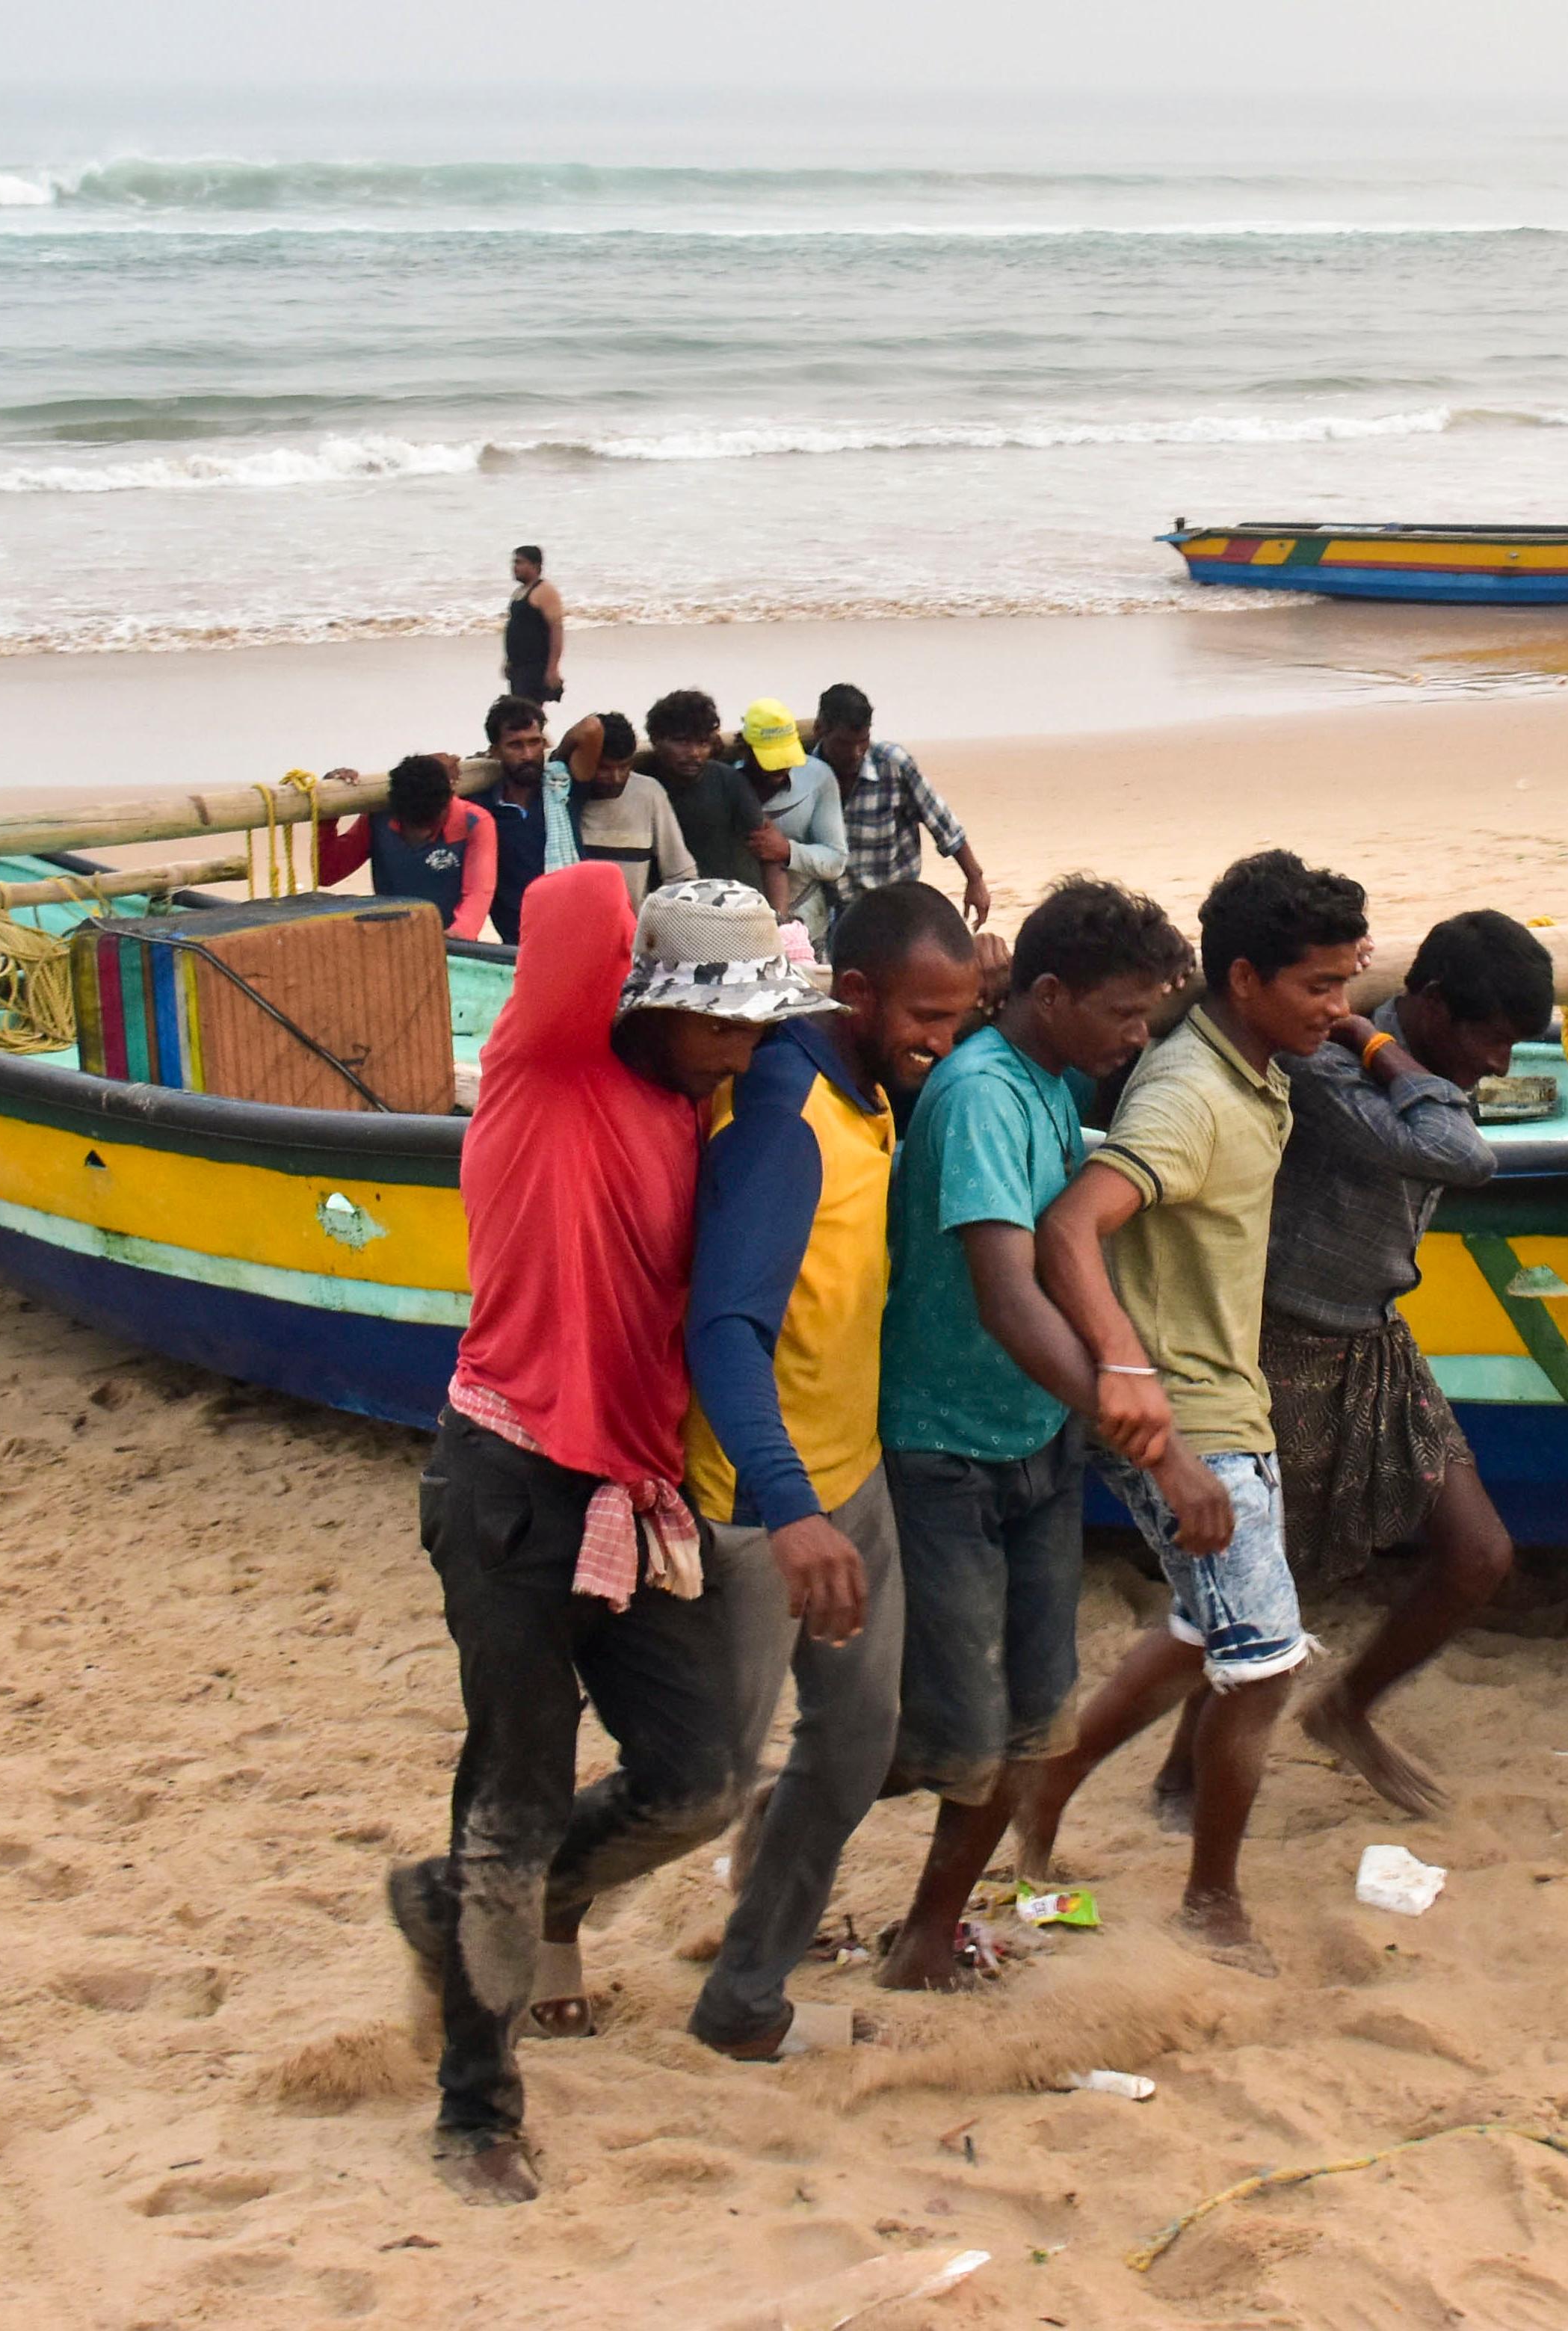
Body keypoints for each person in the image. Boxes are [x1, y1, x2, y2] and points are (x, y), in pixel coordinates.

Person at [386, 868, 810, 2205]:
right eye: (721, 1017)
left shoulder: (696, 1108)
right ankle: (477, 2109)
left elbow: (799, 1045)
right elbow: (569, 901)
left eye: (758, 1021)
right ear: (651, 999)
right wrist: (674, 898)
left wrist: (768, 947)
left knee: (695, 1774)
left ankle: (452, 1905)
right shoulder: (546, 1059)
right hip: (509, 1480)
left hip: (633, 1492)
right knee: (509, 1802)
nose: (746, 1043)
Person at [1008, 850, 1369, 1965]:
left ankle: (1044, 1787)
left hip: (1226, 1396)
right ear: (1247, 978)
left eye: (1349, 982)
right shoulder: (1190, 1094)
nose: (1340, 1008)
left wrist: (1360, 1032)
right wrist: (1127, 1375)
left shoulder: (1242, 1062)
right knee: (1262, 1663)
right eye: (1320, 987)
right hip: (1193, 1415)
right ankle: (1211, 1900)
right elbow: (1072, 1225)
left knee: (1189, 1633)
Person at [870, 878, 1197, 1995]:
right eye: (1123, 1013)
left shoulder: (1054, 1080)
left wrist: (1097, 1404)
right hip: (945, 1443)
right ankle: (785, 1819)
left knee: (1034, 1713)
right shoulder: (980, 1097)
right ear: (1051, 994)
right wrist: (1135, 1419)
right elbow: (1008, 1294)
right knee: (950, 1737)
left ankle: (927, 1932)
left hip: (1034, 1446)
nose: (1137, 1037)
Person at [679, 881, 986, 2063]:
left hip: (855, 1484)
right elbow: (725, 1332)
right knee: (698, 1786)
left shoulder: (872, 1089)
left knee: (856, 1745)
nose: (941, 1042)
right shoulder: (781, 1117)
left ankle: (745, 1998)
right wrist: (793, 1510)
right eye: (924, 1016)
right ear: (853, 993)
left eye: (958, 1017)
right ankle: (539, 1915)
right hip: (762, 1512)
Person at [1253, 911, 1552, 1812]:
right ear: (1425, 1003)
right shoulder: (1326, 1061)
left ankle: (1345, 1706)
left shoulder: (1392, 1058)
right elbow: (1462, 1152)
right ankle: (1182, 1776)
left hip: (1376, 1333)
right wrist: (1379, 1050)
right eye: (1486, 1036)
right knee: (1272, 1593)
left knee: (1479, 1554)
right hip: (1287, 1340)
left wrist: (1394, 1054)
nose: (1497, 1062)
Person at [809, 685, 993, 929]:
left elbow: (943, 823)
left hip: (892, 905)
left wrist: (975, 879)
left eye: (862, 742)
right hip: (832, 910)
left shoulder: (892, 764)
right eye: (844, 743)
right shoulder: (803, 774)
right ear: (820, 730)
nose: (856, 753)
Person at [316, 753, 499, 940]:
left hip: (451, 939)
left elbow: (479, 890)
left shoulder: (474, 822)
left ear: (447, 803)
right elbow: (327, 873)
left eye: (428, 824)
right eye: (413, 825)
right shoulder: (379, 819)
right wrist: (328, 813)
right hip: (389, 938)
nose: (420, 835)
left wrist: (461, 931)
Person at [638, 690, 775, 896]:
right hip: (668, 910)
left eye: (702, 743)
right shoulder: (642, 787)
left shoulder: (729, 782)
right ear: (656, 739)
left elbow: (769, 854)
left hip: (732, 906)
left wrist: (779, 918)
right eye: (683, 742)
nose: (694, 753)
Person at [735, 697, 851, 942]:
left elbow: (836, 861)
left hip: (808, 926)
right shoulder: (729, 784)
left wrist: (787, 851)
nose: (781, 768)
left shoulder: (818, 778)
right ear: (746, 750)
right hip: (740, 924)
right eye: (771, 759)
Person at [555, 712, 698, 905]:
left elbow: (680, 874)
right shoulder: (562, 801)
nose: (616, 778)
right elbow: (588, 729)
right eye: (604, 769)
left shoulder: (649, 793)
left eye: (624, 768)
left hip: (632, 931)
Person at [472, 697, 560, 943]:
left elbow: (591, 730)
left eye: (535, 742)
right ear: (495, 751)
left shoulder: (561, 792)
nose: (528, 755)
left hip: (575, 927)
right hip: (520, 944)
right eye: (515, 746)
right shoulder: (481, 809)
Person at [501, 546, 564, 706]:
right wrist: (509, 660)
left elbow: (556, 630)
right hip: (519, 667)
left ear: (535, 566)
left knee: (529, 714)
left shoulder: (545, 591)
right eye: (514, 563)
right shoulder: (520, 592)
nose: (515, 567)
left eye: (520, 563)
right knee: (518, 710)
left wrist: (552, 669)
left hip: (535, 667)